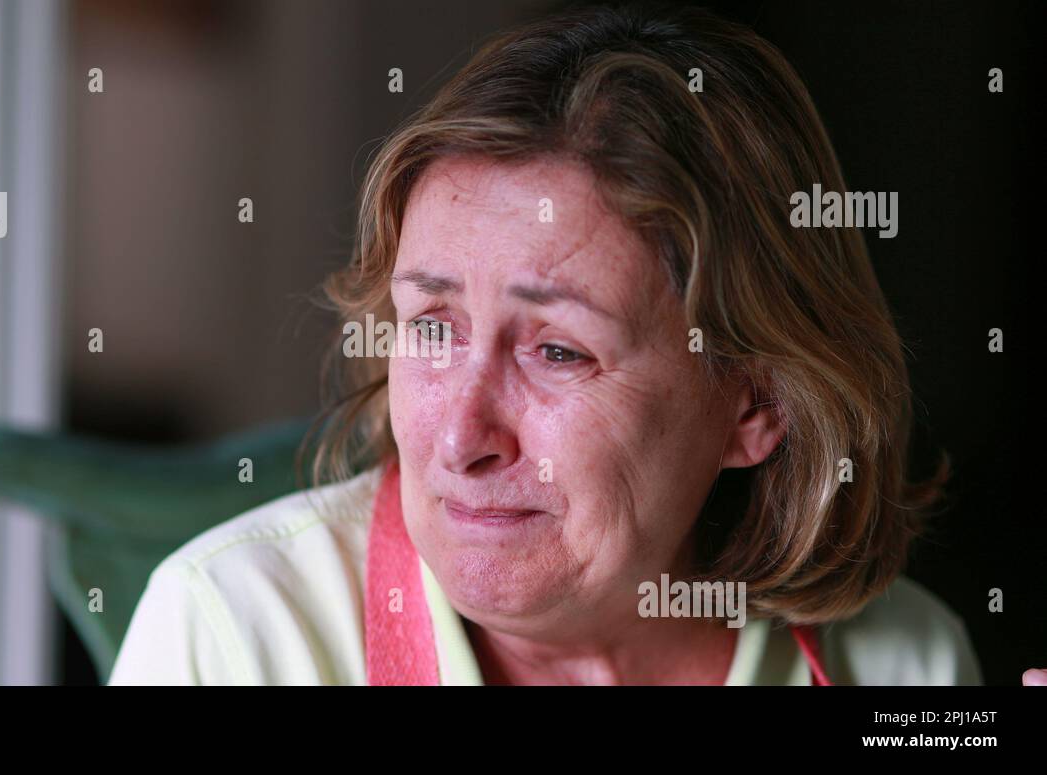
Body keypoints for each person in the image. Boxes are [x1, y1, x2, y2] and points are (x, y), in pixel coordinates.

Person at [110, 3, 997, 685]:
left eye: (558, 352)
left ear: (756, 401)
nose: (460, 437)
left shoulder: (899, 666)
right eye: (432, 327)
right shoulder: (231, 635)